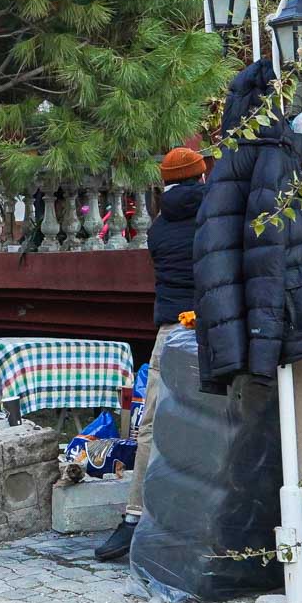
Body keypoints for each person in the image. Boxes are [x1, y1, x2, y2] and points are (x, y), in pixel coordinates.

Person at [96, 146, 207, 562]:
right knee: (219, 425)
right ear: (201, 176)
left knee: (153, 425)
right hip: (214, 327)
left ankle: (134, 517)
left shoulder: (158, 227)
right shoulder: (217, 214)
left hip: (171, 330)